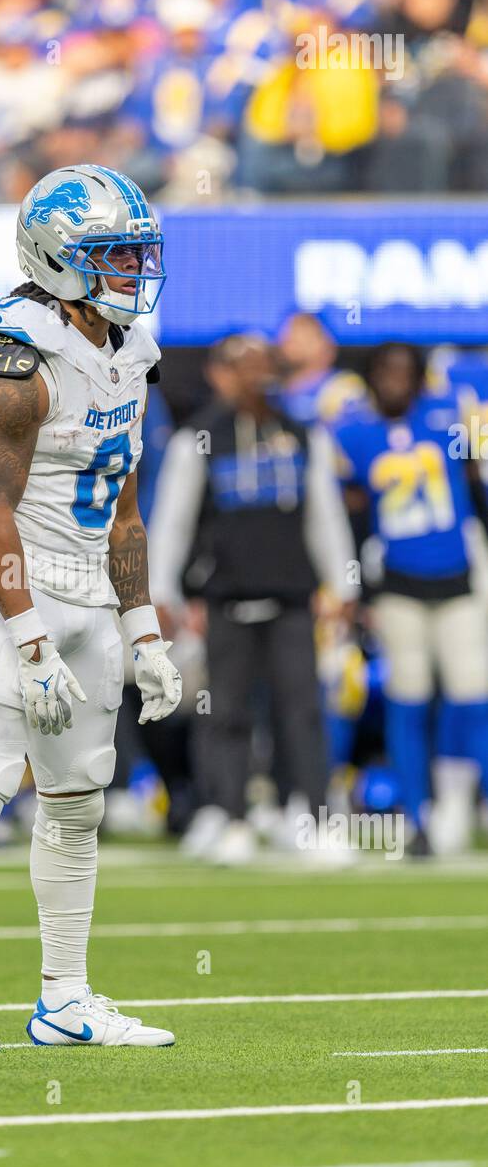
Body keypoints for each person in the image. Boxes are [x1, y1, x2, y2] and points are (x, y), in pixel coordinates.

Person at [0, 164, 182, 1053]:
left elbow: (124, 504)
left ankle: (65, 999)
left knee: (76, 802)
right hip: (8, 583)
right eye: (114, 256)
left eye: (138, 254)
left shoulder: (130, 346)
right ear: (59, 259)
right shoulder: (13, 355)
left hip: (92, 582)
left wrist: (146, 634)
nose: (134, 272)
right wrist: (27, 642)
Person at [149, 333, 360, 865]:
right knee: (225, 713)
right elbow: (172, 521)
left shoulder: (302, 434)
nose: (255, 377)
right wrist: (162, 592)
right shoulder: (197, 438)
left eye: (264, 366)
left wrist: (343, 583)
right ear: (220, 374)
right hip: (224, 599)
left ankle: (313, 815)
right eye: (243, 367)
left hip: (292, 597)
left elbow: (325, 515)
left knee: (303, 711)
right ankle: (232, 816)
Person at [332, 342, 488, 857]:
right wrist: (354, 586)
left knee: (469, 692)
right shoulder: (352, 430)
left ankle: (457, 804)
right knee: (409, 695)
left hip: (459, 575)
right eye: (386, 372)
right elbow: (349, 512)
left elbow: (475, 482)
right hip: (396, 582)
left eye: (404, 371)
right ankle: (419, 813)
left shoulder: (450, 415)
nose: (395, 380)